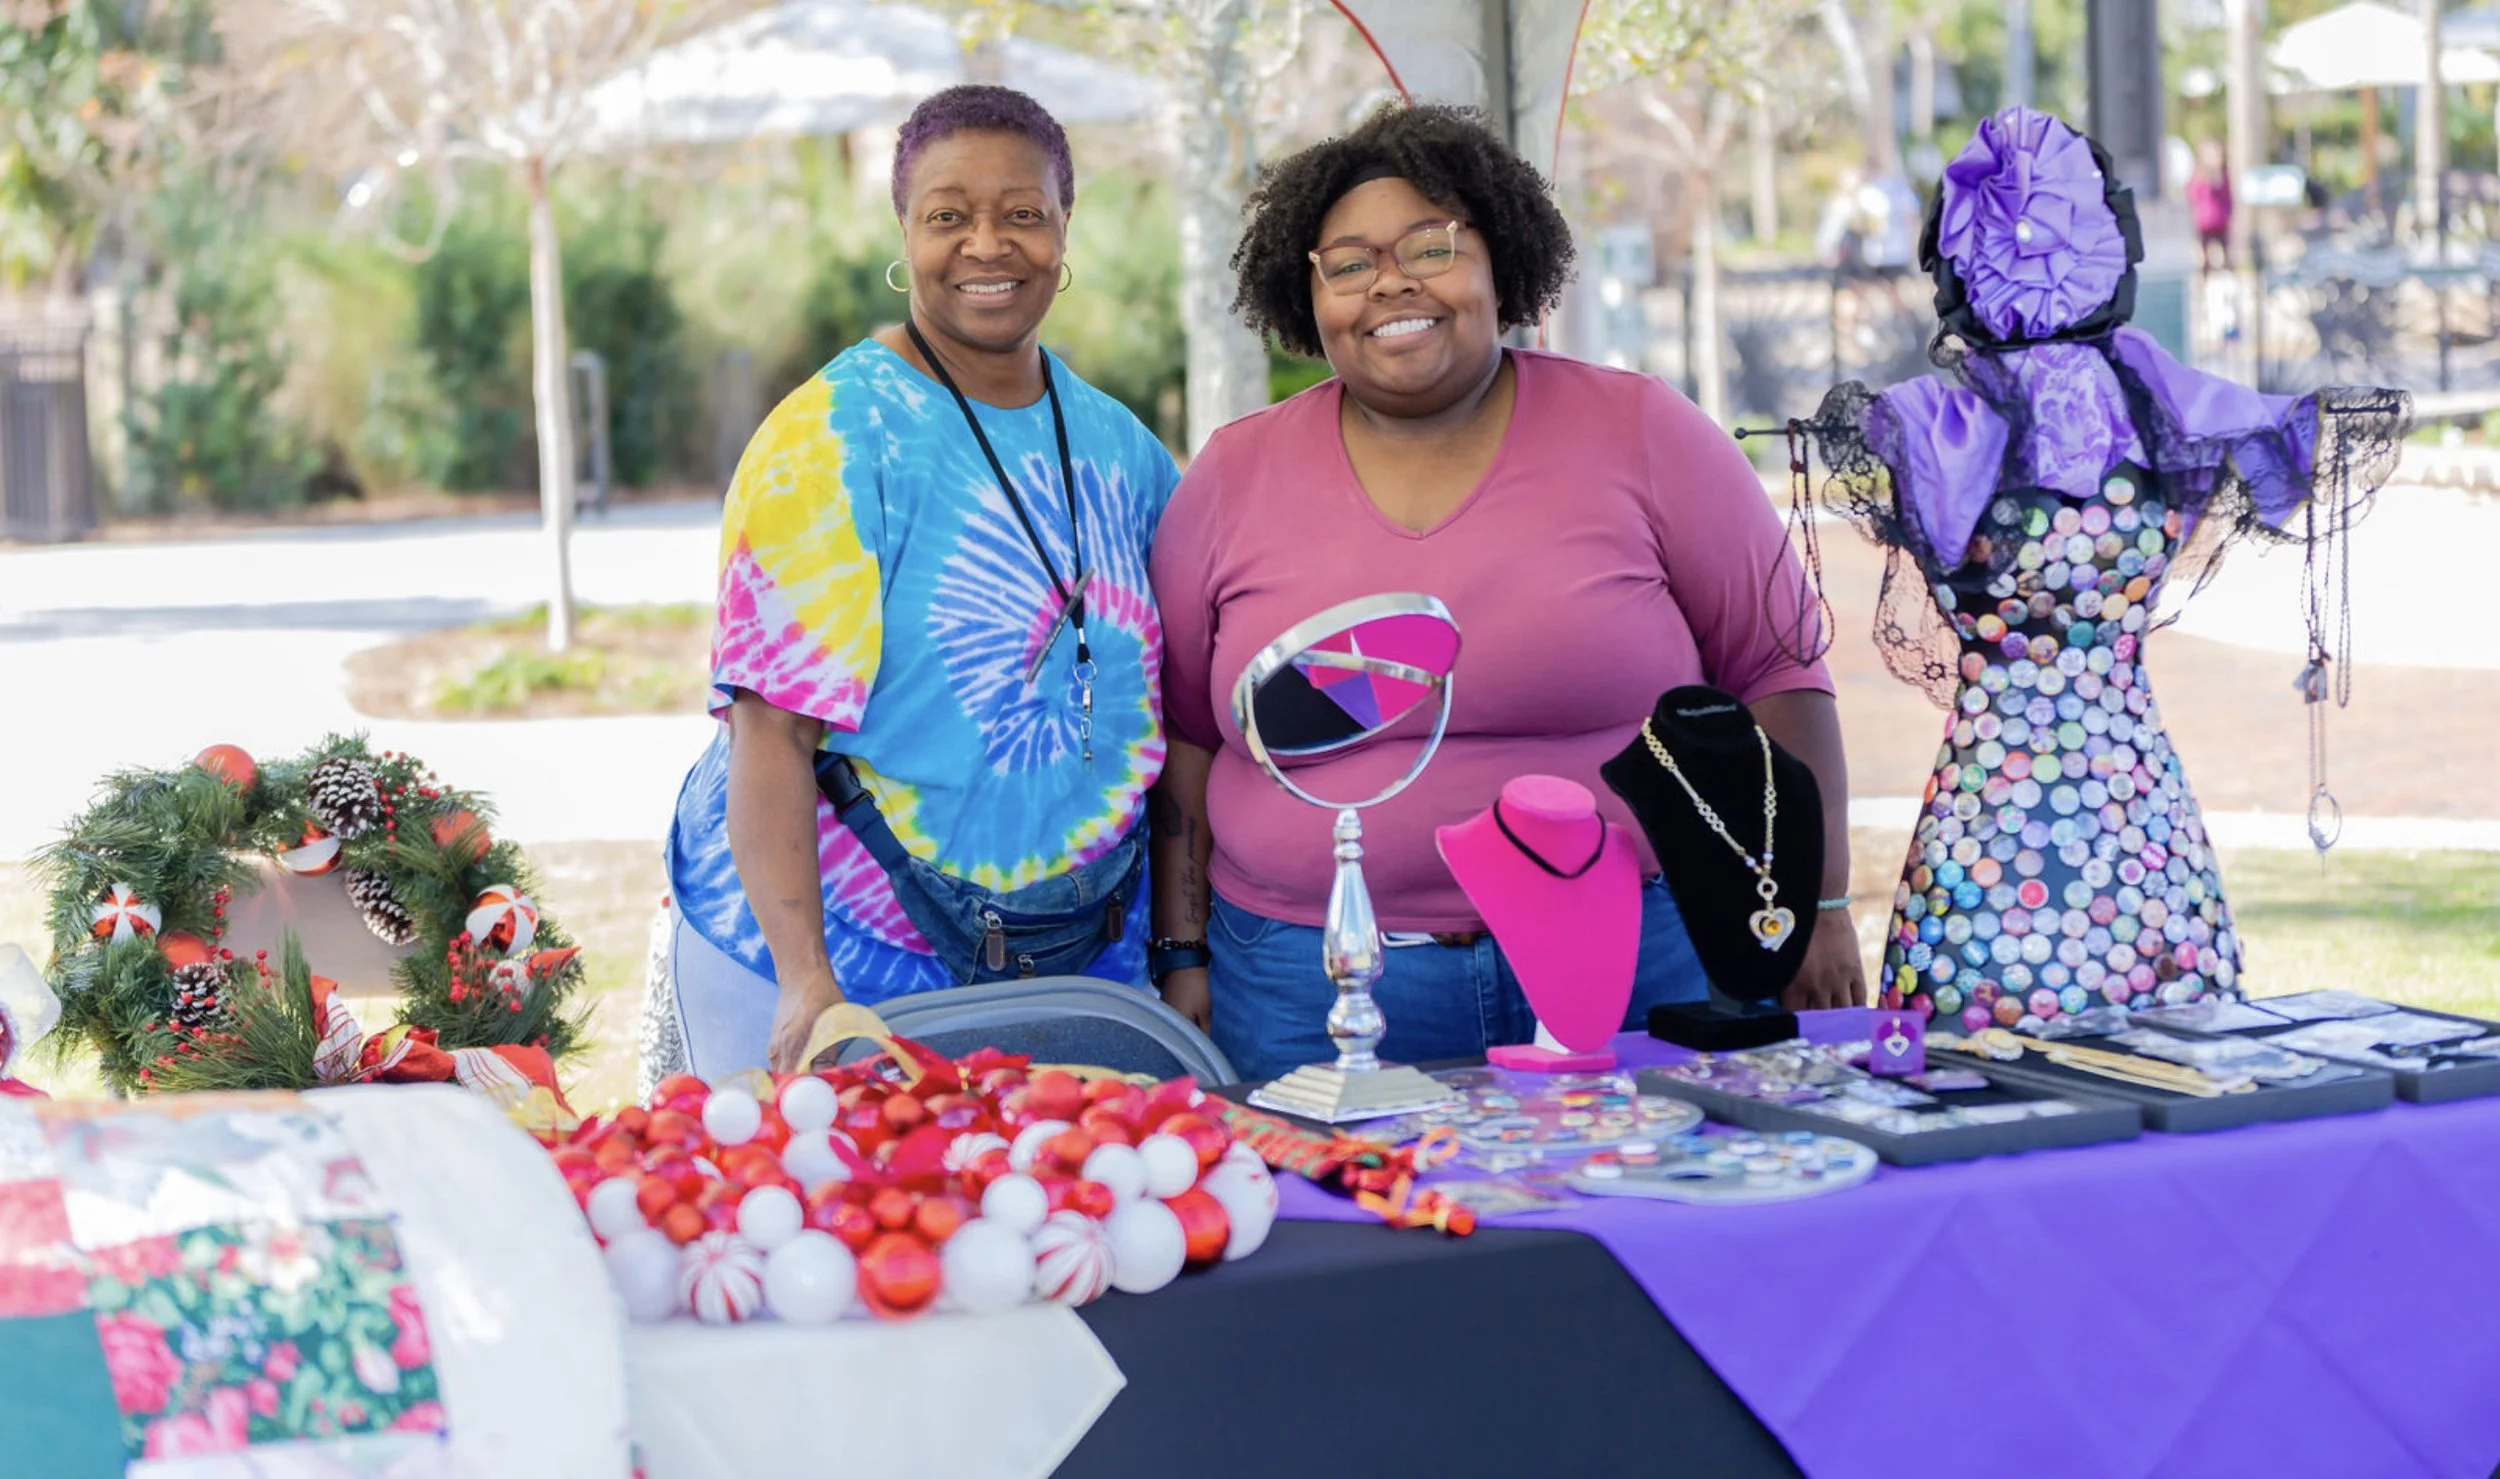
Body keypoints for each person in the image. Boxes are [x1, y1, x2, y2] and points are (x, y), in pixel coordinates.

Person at [1148, 104, 1863, 1084]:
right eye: (1348, 263)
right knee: (1353, 1239)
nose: (1390, 283)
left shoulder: (1645, 433)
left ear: (1499, 257)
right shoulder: (1232, 477)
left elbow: (1778, 675)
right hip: (1309, 981)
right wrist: (1181, 954)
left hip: (1643, 954)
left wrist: (1815, 909)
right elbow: (1188, 741)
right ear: (1304, 291)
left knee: (1632, 1225)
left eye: (1429, 246)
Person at [662, 85, 1181, 1076]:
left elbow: (1159, 715)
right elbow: (770, 729)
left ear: (1065, 229)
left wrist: (1178, 951)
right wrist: (807, 978)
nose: (988, 243)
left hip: (1076, 957)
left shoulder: (1123, 449)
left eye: (1022, 213)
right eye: (949, 215)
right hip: (852, 962)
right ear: (906, 230)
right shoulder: (833, 441)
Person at [2188, 138, 2233, 273]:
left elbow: (2228, 198)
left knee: (2225, 258)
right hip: (2204, 224)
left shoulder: (2223, 177)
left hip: (2221, 223)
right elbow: (2194, 196)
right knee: (2203, 261)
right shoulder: (2198, 177)